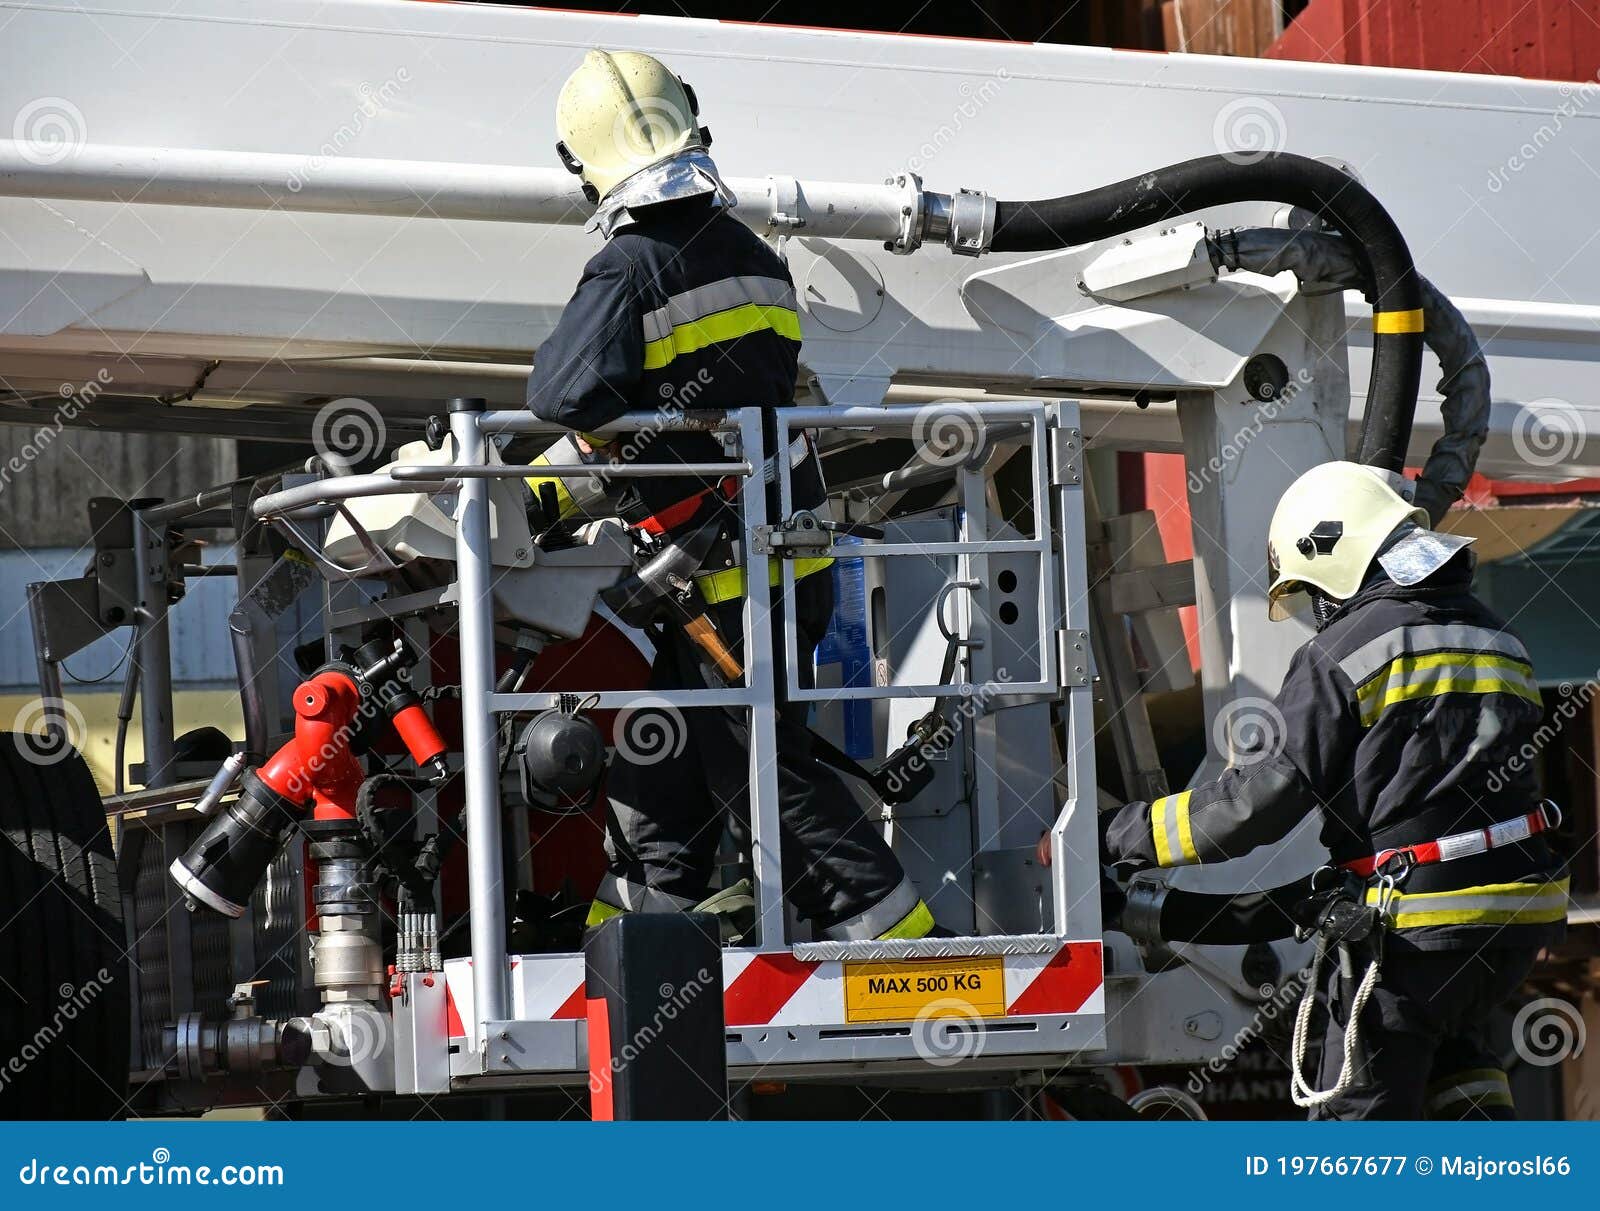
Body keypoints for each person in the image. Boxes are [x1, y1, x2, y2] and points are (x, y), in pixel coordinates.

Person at [523, 50, 932, 942]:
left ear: (581, 162)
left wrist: (598, 453)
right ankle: (634, 948)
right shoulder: (757, 257)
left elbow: (561, 393)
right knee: (657, 760)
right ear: (691, 125)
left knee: (767, 775)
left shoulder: (628, 267)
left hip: (729, 590)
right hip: (782, 569)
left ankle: (908, 952)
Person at [1101, 461, 1567, 1119]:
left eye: (1312, 590)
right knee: (1463, 1080)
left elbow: (1257, 805)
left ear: (1336, 552)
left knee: (1355, 1149)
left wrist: (1120, 833)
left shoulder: (1344, 650)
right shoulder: (1499, 635)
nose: (1317, 611)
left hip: (1412, 937)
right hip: (1511, 928)